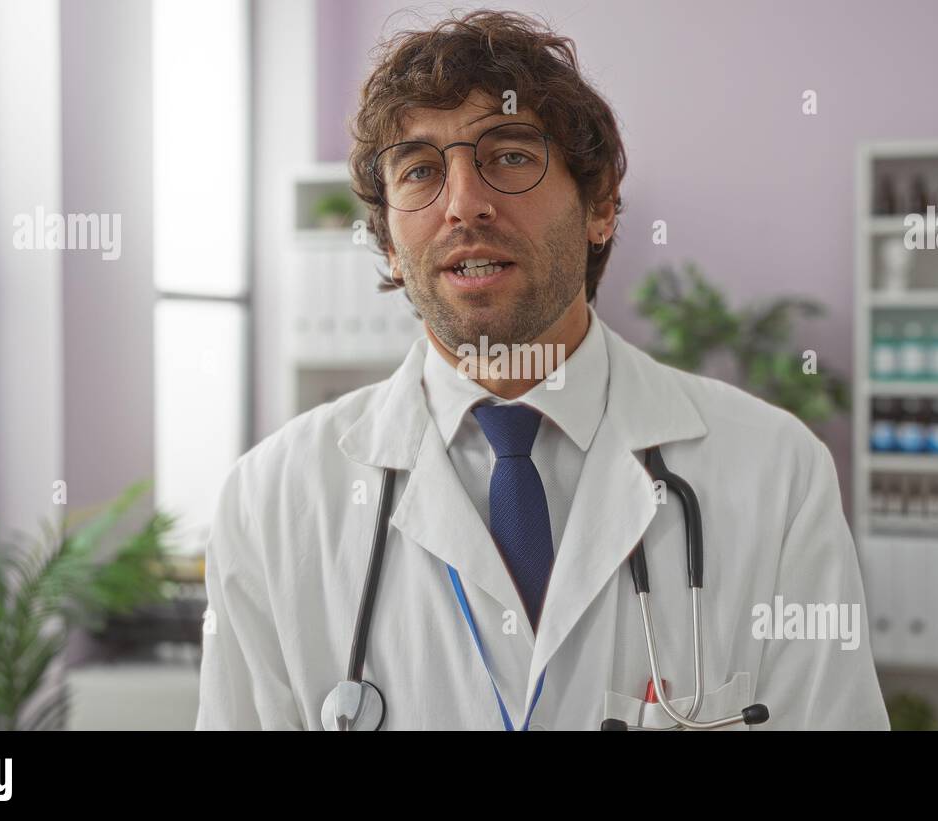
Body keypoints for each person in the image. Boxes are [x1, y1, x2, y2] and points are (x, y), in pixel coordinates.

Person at [195, 9, 889, 730]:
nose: (465, 204)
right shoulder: (270, 501)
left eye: (510, 156)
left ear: (601, 205)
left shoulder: (776, 474)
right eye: (421, 170)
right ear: (392, 247)